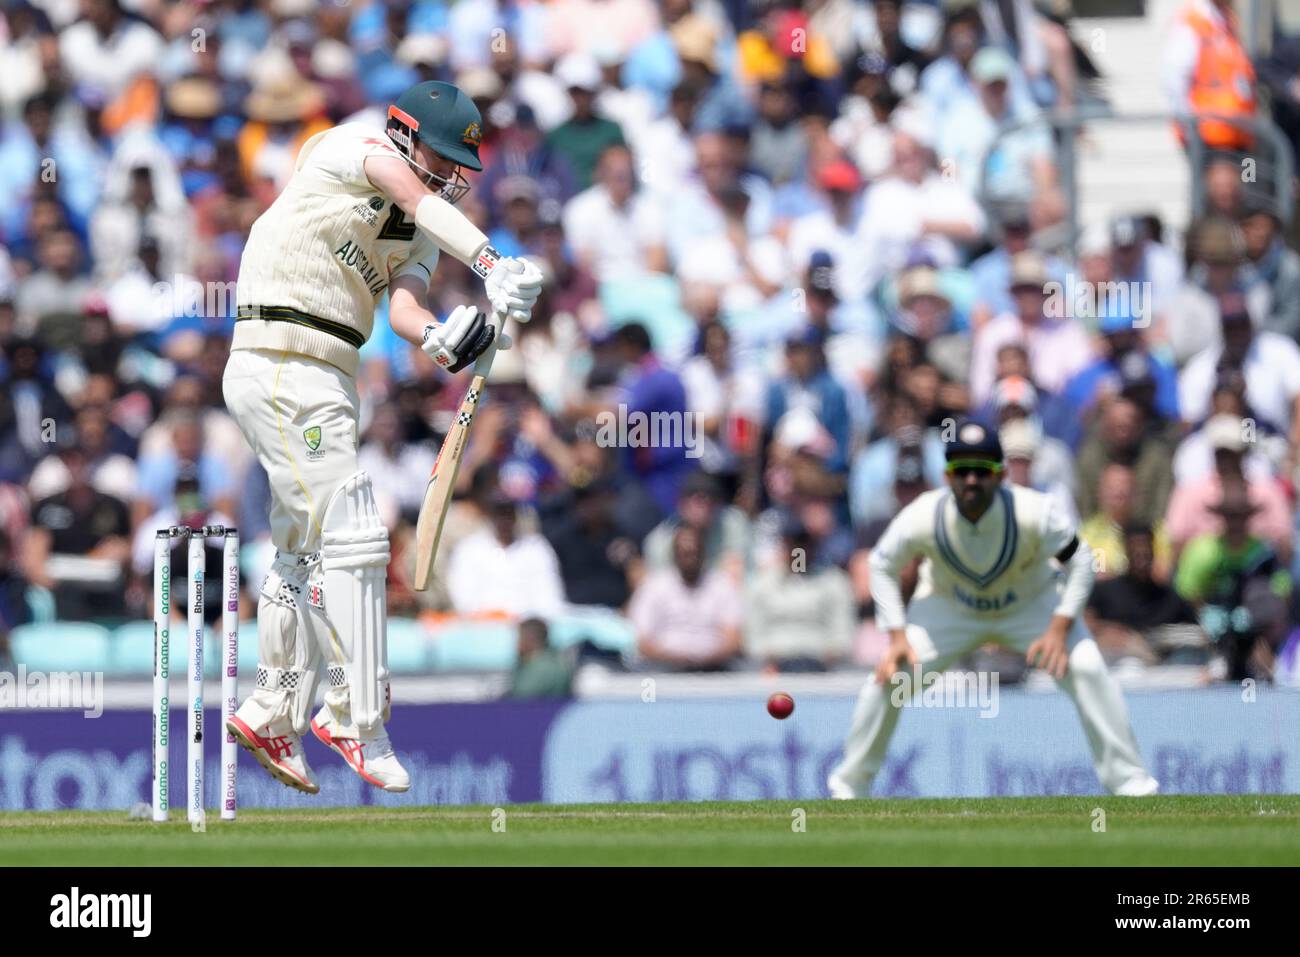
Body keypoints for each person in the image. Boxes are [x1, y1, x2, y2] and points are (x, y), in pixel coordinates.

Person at [221, 80, 543, 795]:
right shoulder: (350, 147)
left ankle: (272, 707)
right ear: (405, 132)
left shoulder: (426, 224)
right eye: (444, 154)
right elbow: (409, 189)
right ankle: (355, 717)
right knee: (355, 531)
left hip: (332, 372)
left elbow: (403, 304)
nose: (453, 174)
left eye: (464, 163)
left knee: (301, 551)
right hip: (281, 352)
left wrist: (441, 340)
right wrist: (492, 264)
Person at [827, 420, 1158, 798]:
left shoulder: (1034, 511)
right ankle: (849, 788)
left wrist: (1059, 627)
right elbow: (881, 565)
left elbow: (1081, 560)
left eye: (981, 471)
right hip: (948, 610)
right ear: (945, 476)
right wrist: (897, 635)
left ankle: (1131, 786)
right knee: (891, 678)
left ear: (1001, 474)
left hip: (1030, 607)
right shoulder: (924, 514)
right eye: (961, 471)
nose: (971, 480)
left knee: (1086, 667)